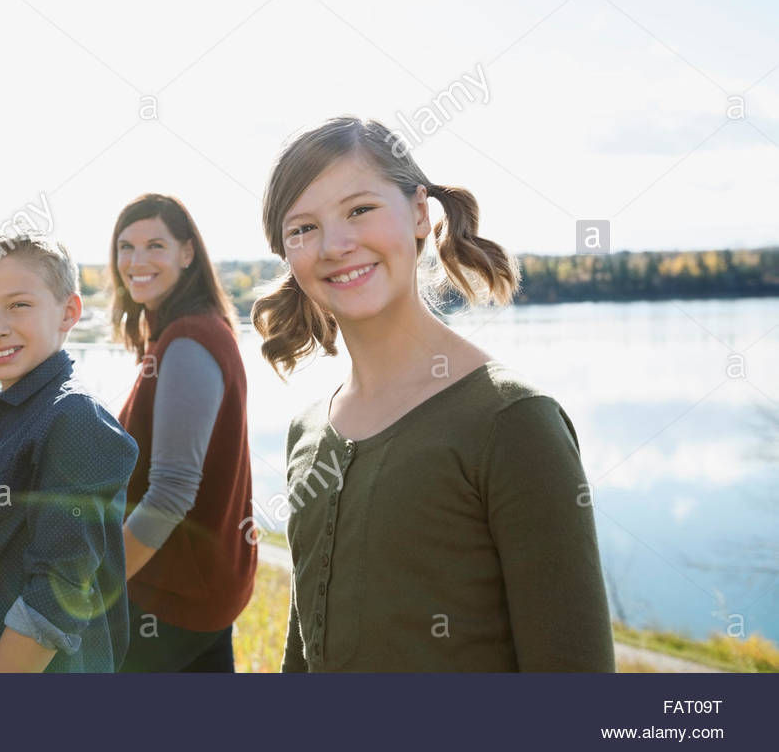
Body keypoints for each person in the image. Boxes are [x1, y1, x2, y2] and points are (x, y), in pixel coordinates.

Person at [252, 116, 615, 672]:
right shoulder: (308, 431)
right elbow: (301, 659)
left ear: (419, 213)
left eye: (359, 210)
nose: (336, 245)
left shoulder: (512, 423)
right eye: (303, 228)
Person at [0, 230, 138, 672]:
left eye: (18, 305)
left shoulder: (75, 420)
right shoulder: (9, 416)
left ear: (68, 312)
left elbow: (55, 595)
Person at [110, 193, 258, 672]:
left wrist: (96, 589)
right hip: (194, 590)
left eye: (156, 245)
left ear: (187, 253)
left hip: (169, 598)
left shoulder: (190, 339)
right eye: (125, 247)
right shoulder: (178, 332)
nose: (136, 261)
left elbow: (171, 494)